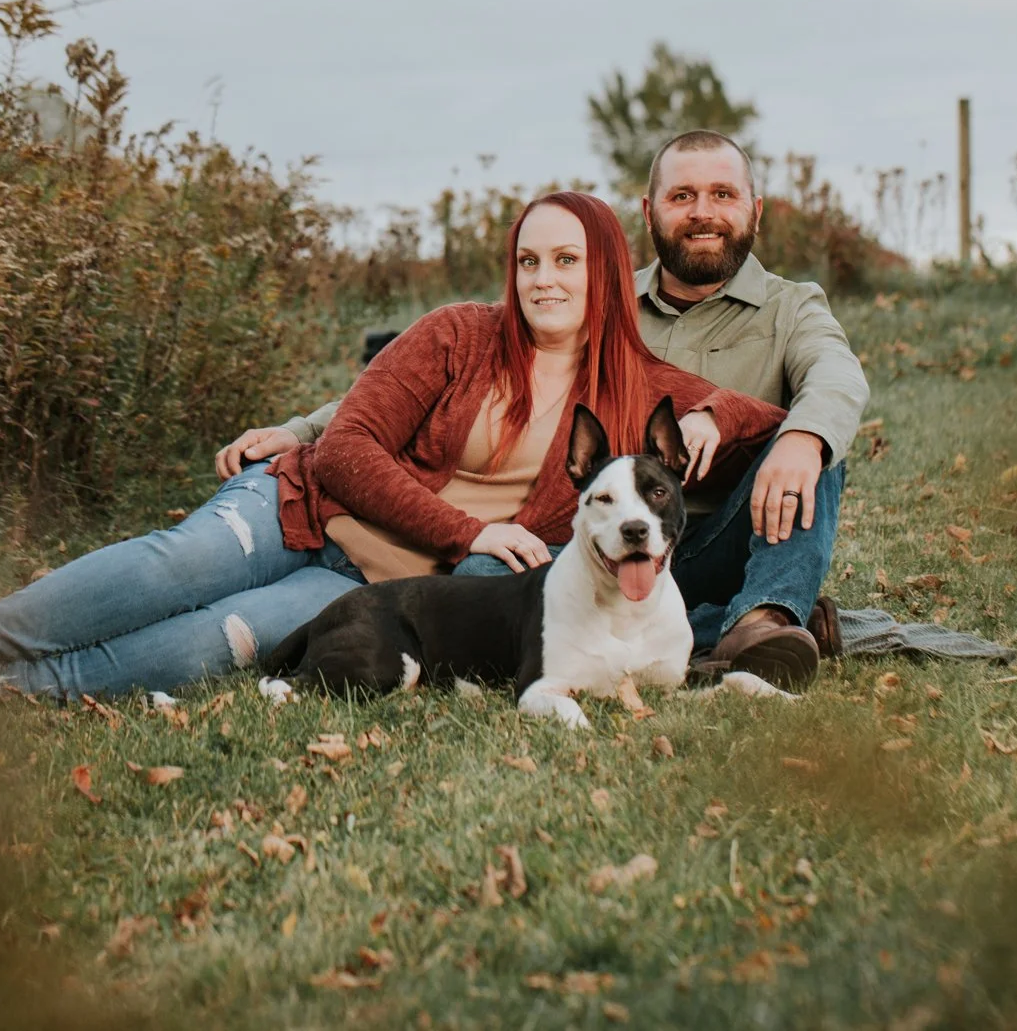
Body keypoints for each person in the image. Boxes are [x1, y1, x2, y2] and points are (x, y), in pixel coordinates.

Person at [0, 190, 786, 702]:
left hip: (362, 588)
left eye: (567, 259)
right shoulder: (456, 333)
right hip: (300, 509)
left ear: (607, 270)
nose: (545, 277)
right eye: (529, 259)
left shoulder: (634, 380)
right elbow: (345, 448)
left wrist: (712, 419)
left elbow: (763, 416)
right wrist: (462, 532)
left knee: (206, 649)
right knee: (175, 566)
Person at [220, 131, 870, 689]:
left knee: (815, 445)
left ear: (755, 210)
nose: (703, 212)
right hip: (589, 532)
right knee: (485, 572)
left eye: (722, 195)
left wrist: (786, 433)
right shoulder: (596, 292)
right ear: (650, 212)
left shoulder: (793, 306)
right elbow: (435, 387)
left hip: (715, 535)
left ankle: (760, 622)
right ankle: (711, 630)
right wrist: (303, 428)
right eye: (682, 196)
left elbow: (836, 379)